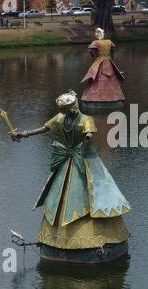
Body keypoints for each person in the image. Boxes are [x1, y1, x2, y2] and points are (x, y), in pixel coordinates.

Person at [9, 91, 130, 262]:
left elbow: (83, 134)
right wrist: (23, 134)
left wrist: (23, 134)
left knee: (96, 194)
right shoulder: (69, 118)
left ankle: (68, 241)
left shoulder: (76, 119)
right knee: (72, 196)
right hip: (74, 160)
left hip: (80, 160)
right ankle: (68, 242)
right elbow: (45, 129)